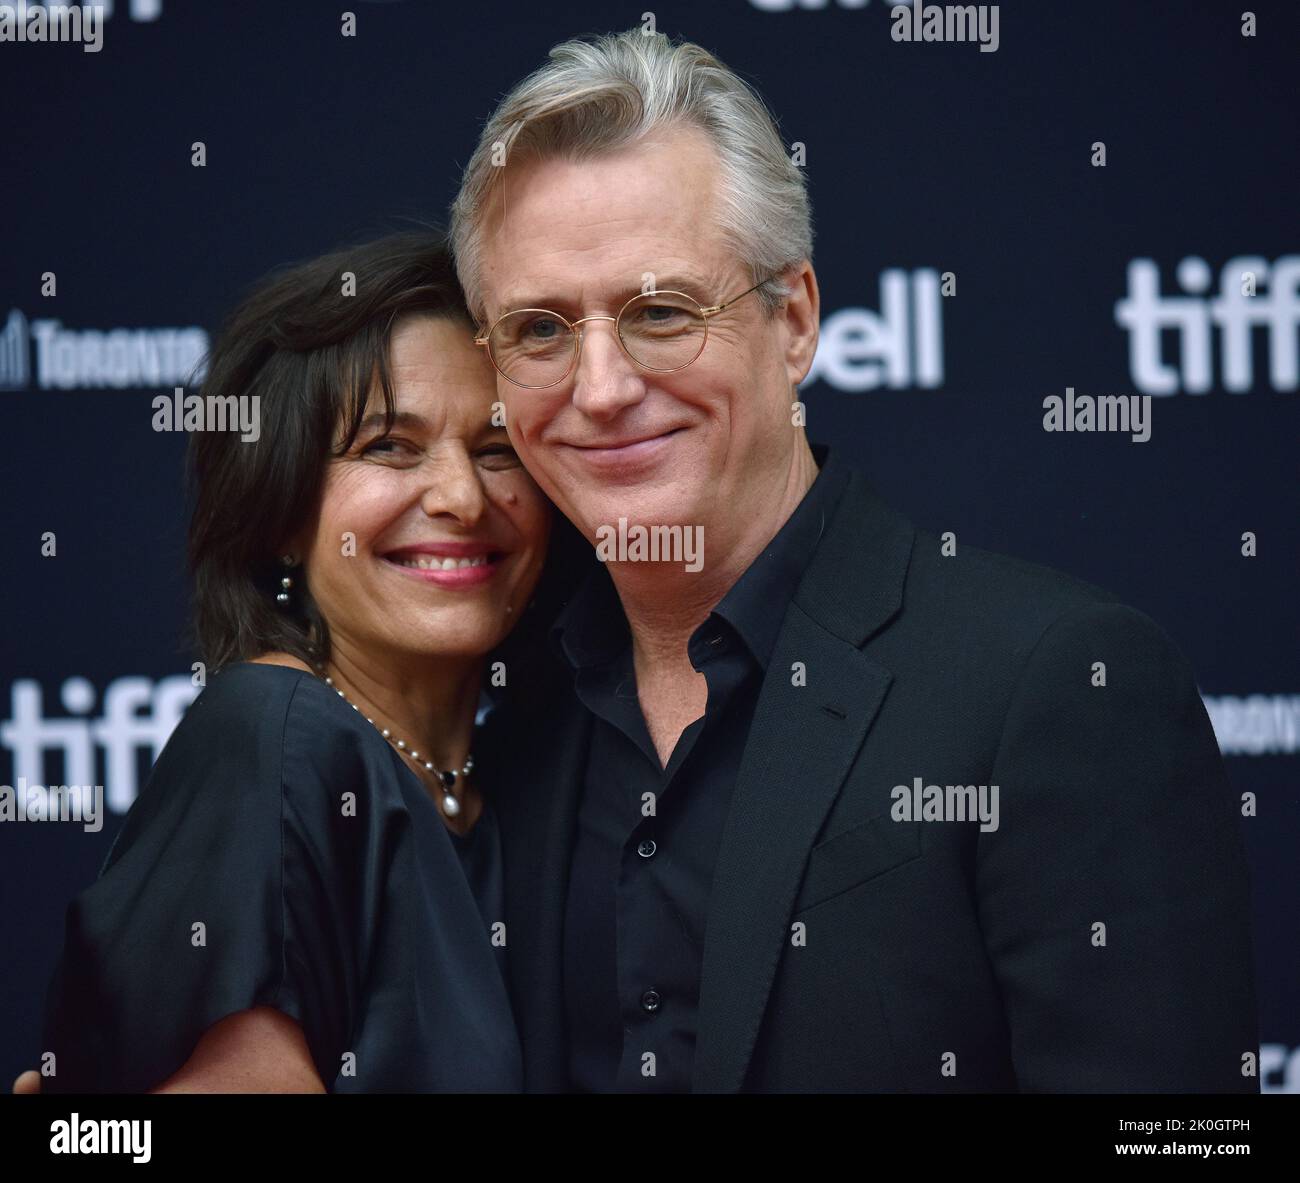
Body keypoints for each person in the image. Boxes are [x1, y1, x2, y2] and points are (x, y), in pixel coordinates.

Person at [451, 29, 1260, 1092]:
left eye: (659, 312)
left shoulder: (1056, 685)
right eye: (542, 329)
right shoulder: (512, 720)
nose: (599, 388)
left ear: (794, 321)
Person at [30, 230, 586, 1093]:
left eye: (498, 448)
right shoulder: (276, 740)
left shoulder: (523, 783)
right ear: (283, 509)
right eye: (388, 447)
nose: (462, 496)